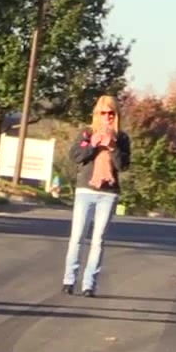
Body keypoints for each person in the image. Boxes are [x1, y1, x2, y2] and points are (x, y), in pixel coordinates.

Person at [61, 95, 130, 297]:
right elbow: (75, 156)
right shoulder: (86, 132)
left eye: (111, 113)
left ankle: (89, 283)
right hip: (85, 190)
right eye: (103, 113)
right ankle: (69, 279)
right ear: (96, 114)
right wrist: (92, 144)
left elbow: (123, 165)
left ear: (116, 115)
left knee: (98, 239)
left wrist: (112, 147)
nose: (107, 117)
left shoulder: (122, 138)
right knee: (77, 236)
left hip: (108, 193)